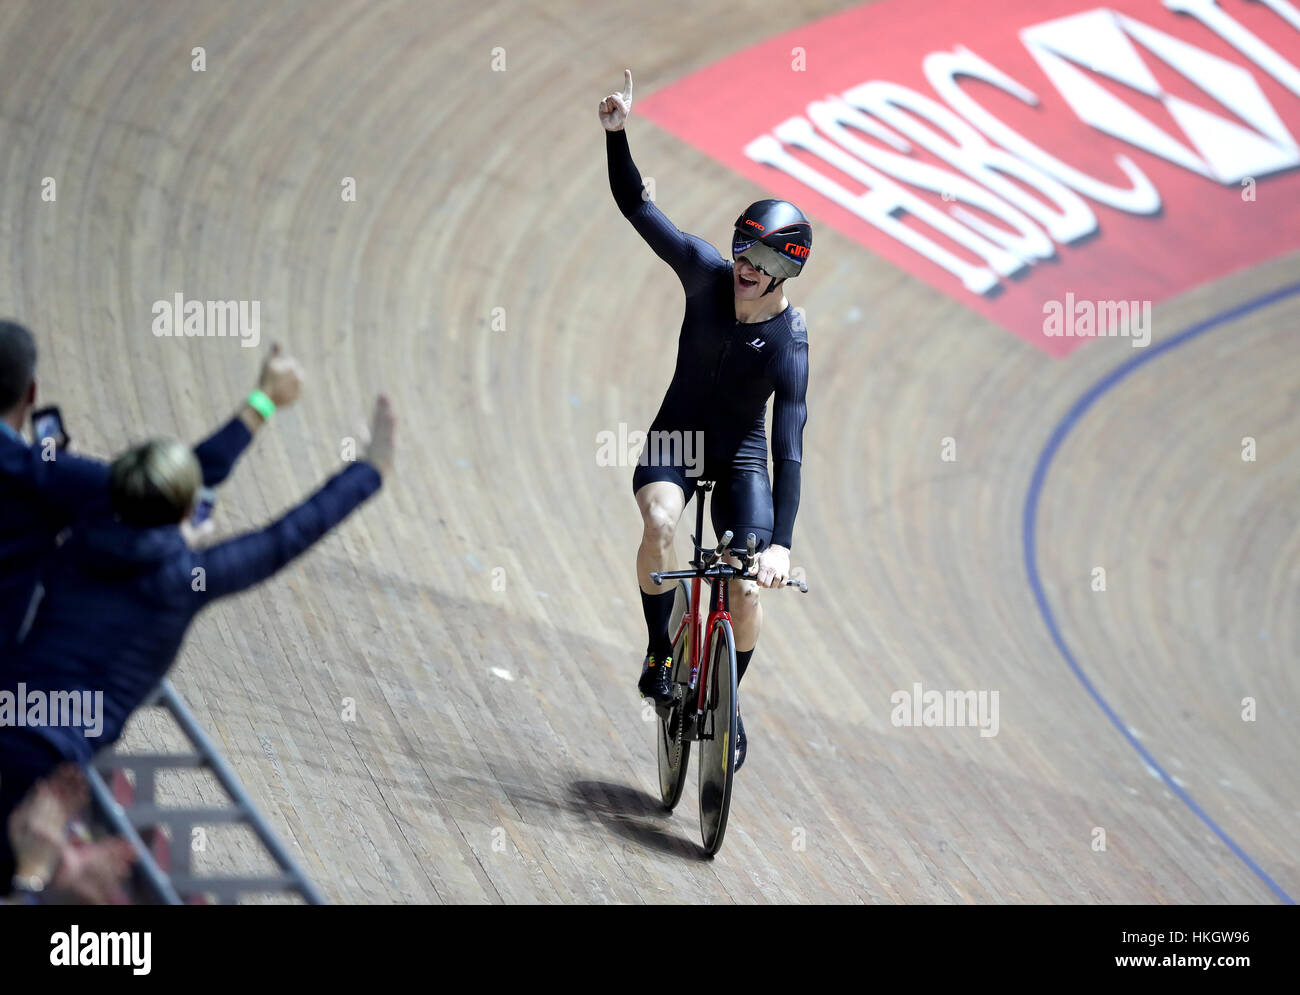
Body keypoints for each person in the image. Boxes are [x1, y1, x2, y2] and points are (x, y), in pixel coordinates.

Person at [0, 395, 395, 888]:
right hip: (47, 763)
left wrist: (262, 403)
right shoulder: (184, 581)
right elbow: (282, 539)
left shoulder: (86, 521)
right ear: (189, 507)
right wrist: (370, 470)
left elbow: (157, 486)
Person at [599, 71, 811, 770]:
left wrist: (780, 543)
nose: (747, 266)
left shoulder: (789, 344)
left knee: (745, 585)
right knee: (660, 524)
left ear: (788, 271)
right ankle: (661, 648)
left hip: (744, 457)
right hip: (679, 437)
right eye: (744, 249)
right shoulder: (702, 272)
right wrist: (617, 133)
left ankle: (727, 703)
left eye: (765, 258)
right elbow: (638, 206)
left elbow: (789, 448)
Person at [0, 319, 304, 651]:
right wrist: (264, 400)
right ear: (31, 391)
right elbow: (178, 477)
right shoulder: (45, 473)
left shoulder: (47, 471)